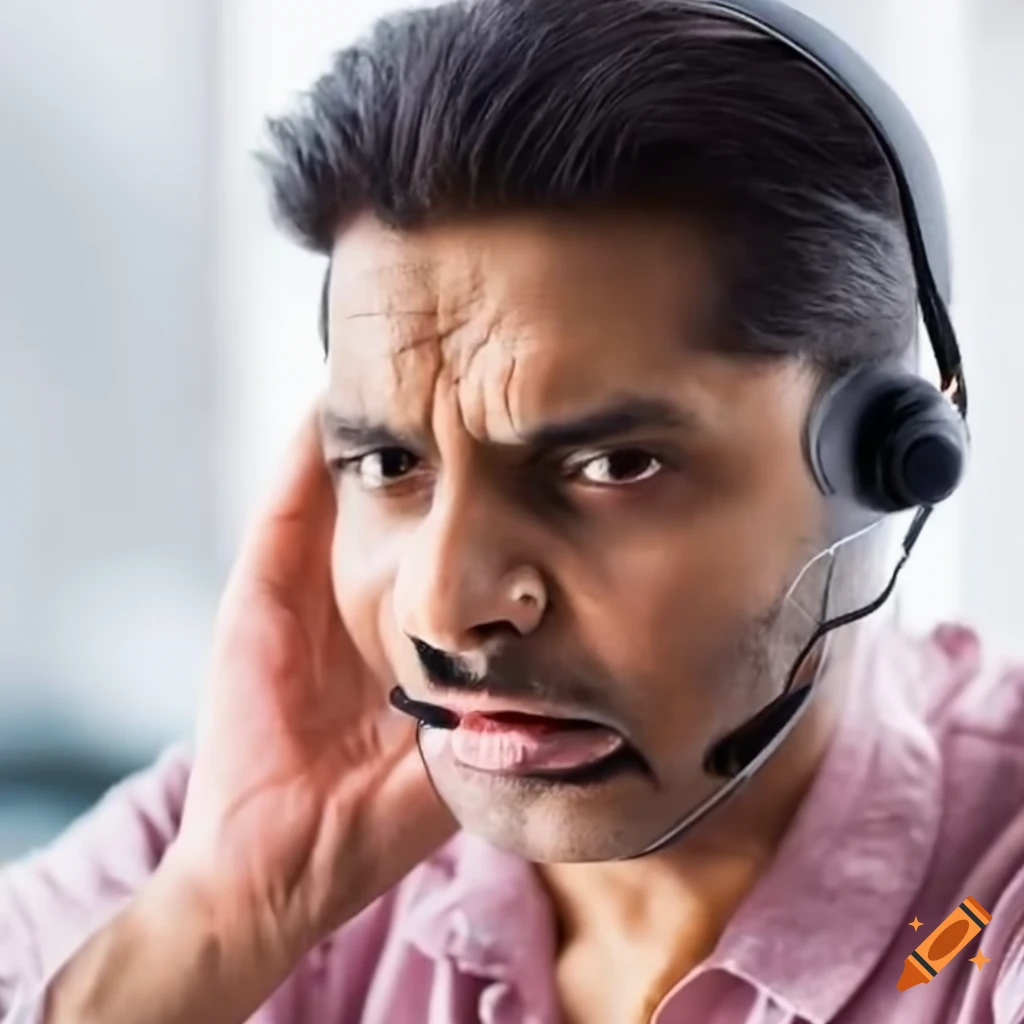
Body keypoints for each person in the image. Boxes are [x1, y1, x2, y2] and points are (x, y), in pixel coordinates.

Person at [1, 0, 1022, 1021]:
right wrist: (225, 920)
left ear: (888, 465)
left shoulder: (990, 907)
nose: (442, 608)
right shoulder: (223, 832)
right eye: (389, 459)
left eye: (612, 465)